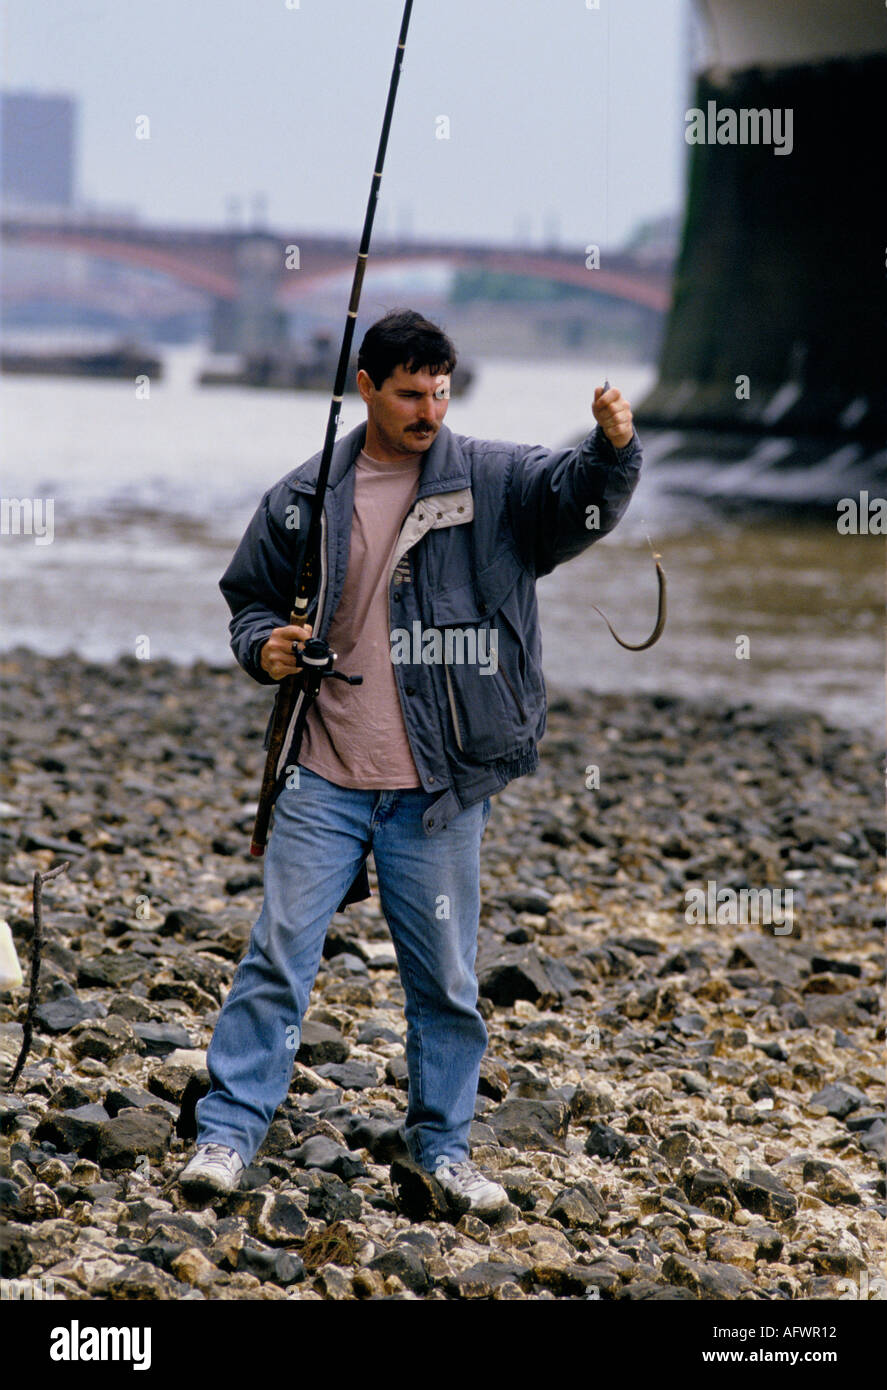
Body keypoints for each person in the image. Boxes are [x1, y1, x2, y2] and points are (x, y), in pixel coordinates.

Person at [178, 308, 641, 1215]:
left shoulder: (498, 482)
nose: (428, 408)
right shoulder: (302, 494)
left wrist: (612, 447)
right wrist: (264, 645)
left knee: (446, 984)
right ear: (366, 389)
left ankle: (444, 1151)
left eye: (439, 391)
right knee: (277, 957)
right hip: (323, 773)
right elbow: (247, 601)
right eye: (408, 393)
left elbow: (576, 496)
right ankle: (225, 1138)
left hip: (438, 788)